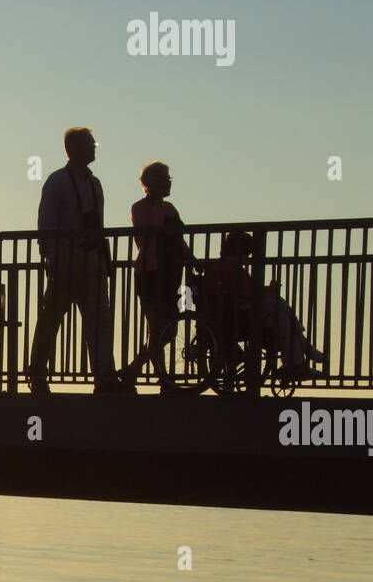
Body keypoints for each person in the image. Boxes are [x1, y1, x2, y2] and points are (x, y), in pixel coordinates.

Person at [25, 128, 124, 394]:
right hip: (67, 257)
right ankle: (37, 374)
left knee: (99, 320)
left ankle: (104, 378)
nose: (95, 148)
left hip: (92, 257)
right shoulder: (57, 182)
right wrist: (53, 259)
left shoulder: (94, 183)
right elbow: (46, 224)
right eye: (91, 144)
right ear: (75, 148)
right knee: (52, 317)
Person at [202, 232, 326, 385]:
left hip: (247, 311)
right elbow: (228, 292)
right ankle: (306, 348)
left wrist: (266, 291)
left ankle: (296, 365)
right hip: (233, 314)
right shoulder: (216, 267)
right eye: (246, 254)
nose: (247, 259)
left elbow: (252, 290)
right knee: (277, 303)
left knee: (282, 319)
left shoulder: (240, 271)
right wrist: (264, 292)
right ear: (237, 252)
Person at [126, 162, 194, 393]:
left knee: (169, 330)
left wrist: (191, 258)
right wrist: (157, 204)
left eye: (169, 178)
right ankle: (163, 379)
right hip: (150, 272)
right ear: (152, 183)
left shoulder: (170, 207)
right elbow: (149, 233)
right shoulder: (140, 208)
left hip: (171, 273)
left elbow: (178, 238)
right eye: (164, 179)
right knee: (157, 328)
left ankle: (134, 370)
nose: (169, 182)